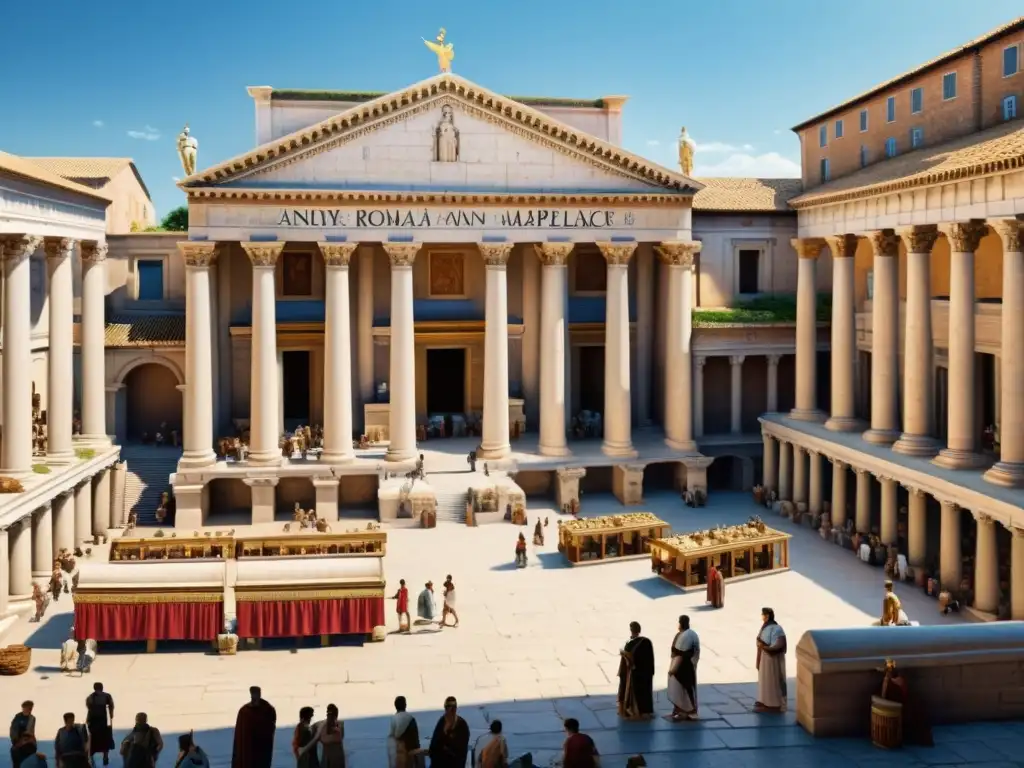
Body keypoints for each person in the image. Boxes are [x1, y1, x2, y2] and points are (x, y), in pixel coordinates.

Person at [618, 621, 656, 720]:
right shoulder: (647, 641)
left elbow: (627, 660)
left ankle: (636, 711)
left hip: (635, 673)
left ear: (631, 630)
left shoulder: (629, 644)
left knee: (636, 693)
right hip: (647, 672)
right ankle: (646, 711)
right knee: (646, 692)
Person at [231, 686, 276, 768]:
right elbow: (239, 735)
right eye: (254, 694)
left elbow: (271, 723)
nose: (256, 696)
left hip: (262, 748)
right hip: (248, 750)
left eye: (257, 694)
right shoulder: (244, 712)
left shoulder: (267, 709)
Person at [754, 607, 788, 712]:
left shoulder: (777, 628)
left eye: (763, 615)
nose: (762, 617)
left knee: (772, 681)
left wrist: (765, 647)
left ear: (767, 616)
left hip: (772, 660)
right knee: (764, 680)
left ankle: (773, 704)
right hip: (764, 658)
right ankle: (764, 700)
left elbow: (779, 643)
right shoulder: (765, 627)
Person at [667, 615, 700, 721]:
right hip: (688, 665)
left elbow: (680, 653)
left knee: (684, 688)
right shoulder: (690, 634)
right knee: (685, 688)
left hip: (683, 667)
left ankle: (687, 710)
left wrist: (673, 669)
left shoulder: (685, 636)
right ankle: (683, 709)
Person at [428, 696, 469, 768]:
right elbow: (434, 746)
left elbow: (460, 749)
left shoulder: (462, 725)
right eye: (449, 707)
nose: (451, 710)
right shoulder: (442, 722)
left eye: (453, 707)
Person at [84, 682, 114, 766]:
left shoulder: (90, 697)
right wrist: (111, 716)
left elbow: (89, 708)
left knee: (93, 739)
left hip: (93, 722)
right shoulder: (107, 696)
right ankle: (105, 756)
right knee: (105, 740)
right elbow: (111, 706)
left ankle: (91, 756)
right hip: (103, 721)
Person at [387, 696, 420, 768]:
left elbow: (392, 740)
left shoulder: (394, 719)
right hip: (410, 754)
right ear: (405, 705)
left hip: (399, 756)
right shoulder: (411, 718)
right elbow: (415, 739)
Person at [9, 700, 37, 768]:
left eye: (31, 708)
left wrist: (30, 740)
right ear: (23, 708)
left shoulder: (32, 718)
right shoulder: (18, 717)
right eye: (28, 708)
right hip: (18, 742)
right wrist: (16, 741)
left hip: (29, 742)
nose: (30, 710)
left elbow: (31, 731)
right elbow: (13, 730)